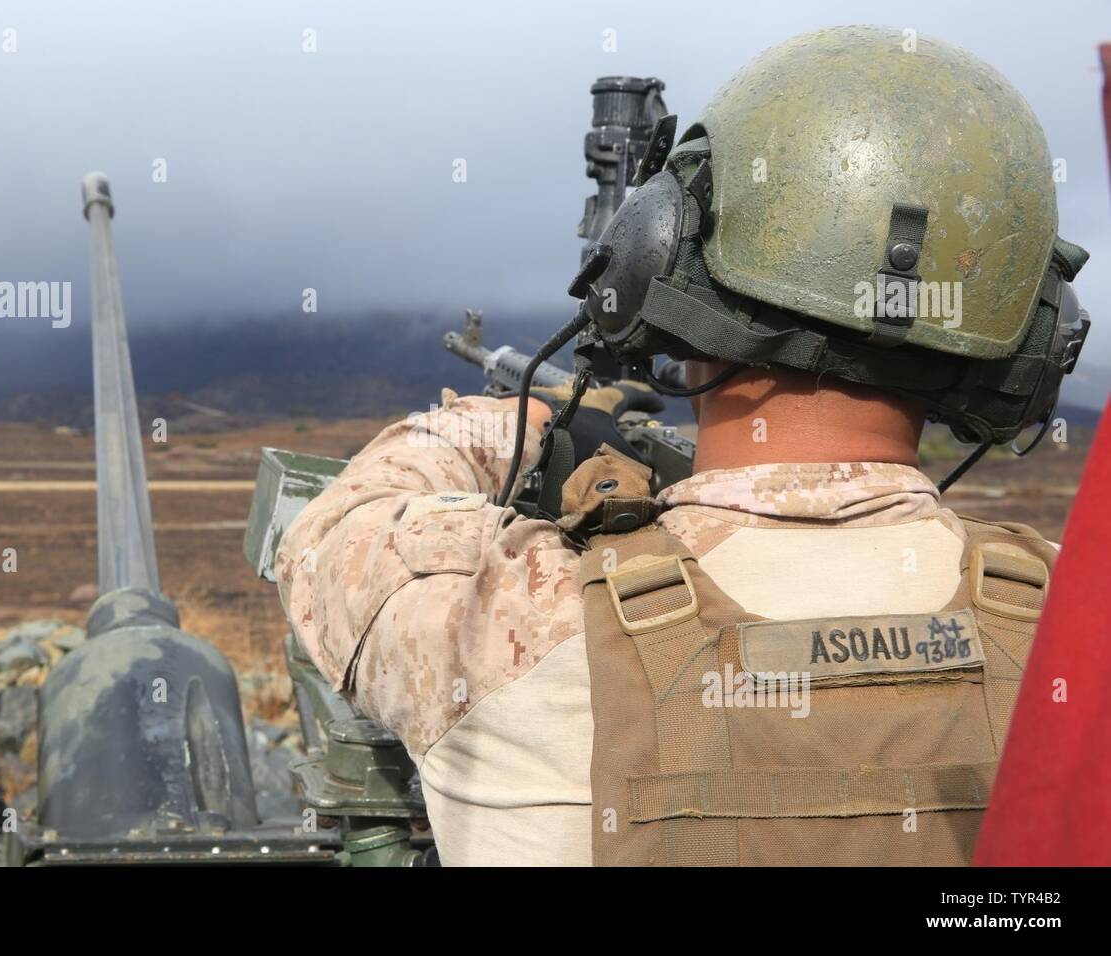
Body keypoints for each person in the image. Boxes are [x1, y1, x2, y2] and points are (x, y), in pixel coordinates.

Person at [277, 26, 1090, 866]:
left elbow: (332, 533)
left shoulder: (510, 620)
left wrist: (530, 424)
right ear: (1027, 340)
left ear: (658, 254)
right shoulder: (1075, 624)